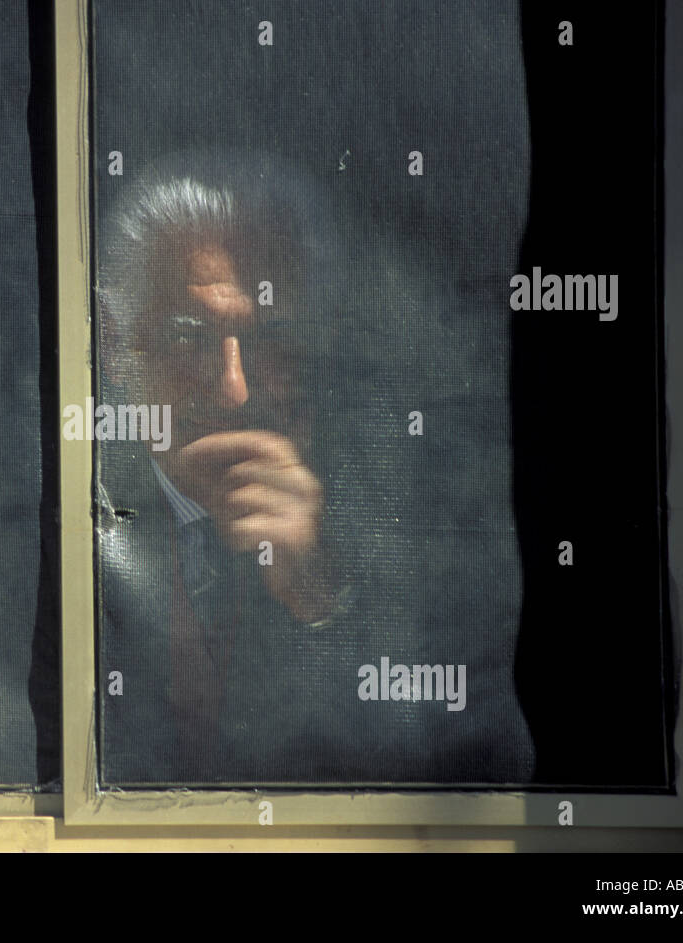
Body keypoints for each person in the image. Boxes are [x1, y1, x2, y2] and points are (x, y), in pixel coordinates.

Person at [95, 149, 535, 785]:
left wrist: (316, 600)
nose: (235, 388)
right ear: (116, 340)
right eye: (189, 334)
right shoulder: (60, 510)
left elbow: (454, 760)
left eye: (270, 339)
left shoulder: (382, 507)